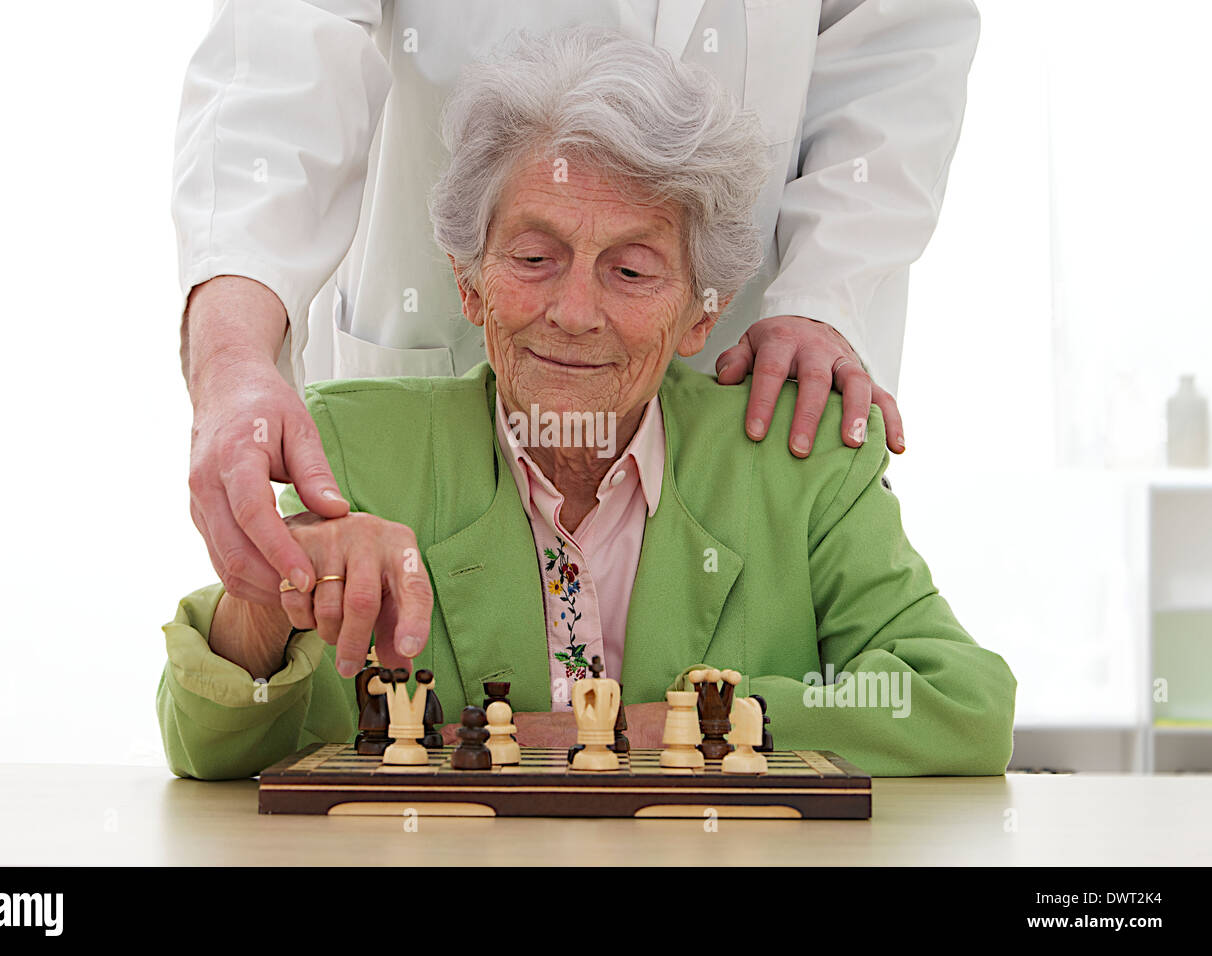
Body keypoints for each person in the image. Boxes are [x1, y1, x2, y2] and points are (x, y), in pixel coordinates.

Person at [157, 29, 1015, 780]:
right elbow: (209, 746)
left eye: (632, 271)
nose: (574, 311)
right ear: (467, 282)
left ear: (701, 315)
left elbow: (963, 705)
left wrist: (679, 729)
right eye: (533, 258)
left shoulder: (798, 462)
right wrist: (273, 590)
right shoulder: (353, 446)